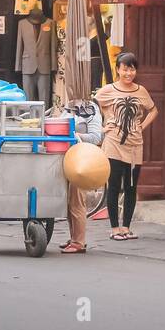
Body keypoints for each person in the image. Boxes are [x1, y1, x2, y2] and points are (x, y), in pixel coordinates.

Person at [95, 53, 157, 241]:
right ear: (118, 69)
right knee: (113, 185)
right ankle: (114, 228)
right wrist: (103, 126)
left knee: (131, 186)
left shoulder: (141, 91)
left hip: (135, 144)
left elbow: (153, 110)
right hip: (113, 143)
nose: (128, 73)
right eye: (125, 69)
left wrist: (142, 126)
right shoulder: (108, 90)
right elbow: (92, 106)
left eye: (132, 69)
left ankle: (126, 227)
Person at [60, 99, 103, 255]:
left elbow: (96, 137)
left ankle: (79, 241)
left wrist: (75, 135)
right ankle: (73, 238)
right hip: (67, 158)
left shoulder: (91, 109)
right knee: (70, 201)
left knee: (77, 200)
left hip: (81, 160)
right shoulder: (68, 106)